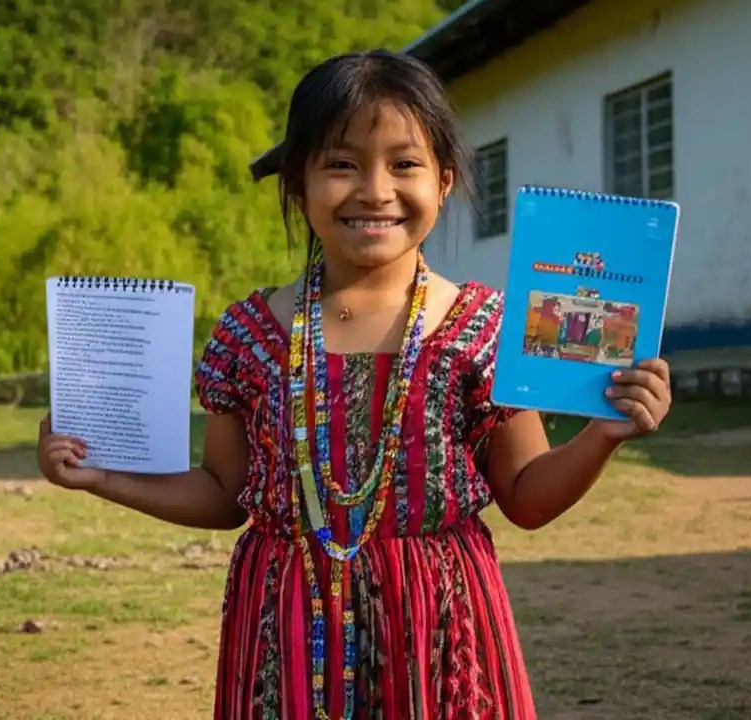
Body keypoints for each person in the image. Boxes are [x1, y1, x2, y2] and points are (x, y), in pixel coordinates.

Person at [37, 49, 673, 720]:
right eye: (341, 164)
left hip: (441, 631)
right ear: (297, 185)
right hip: (287, 627)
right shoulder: (248, 336)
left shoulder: (483, 328)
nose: (374, 190)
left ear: (444, 181)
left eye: (405, 164)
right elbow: (224, 495)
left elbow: (526, 495)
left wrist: (604, 436)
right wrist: (102, 477)